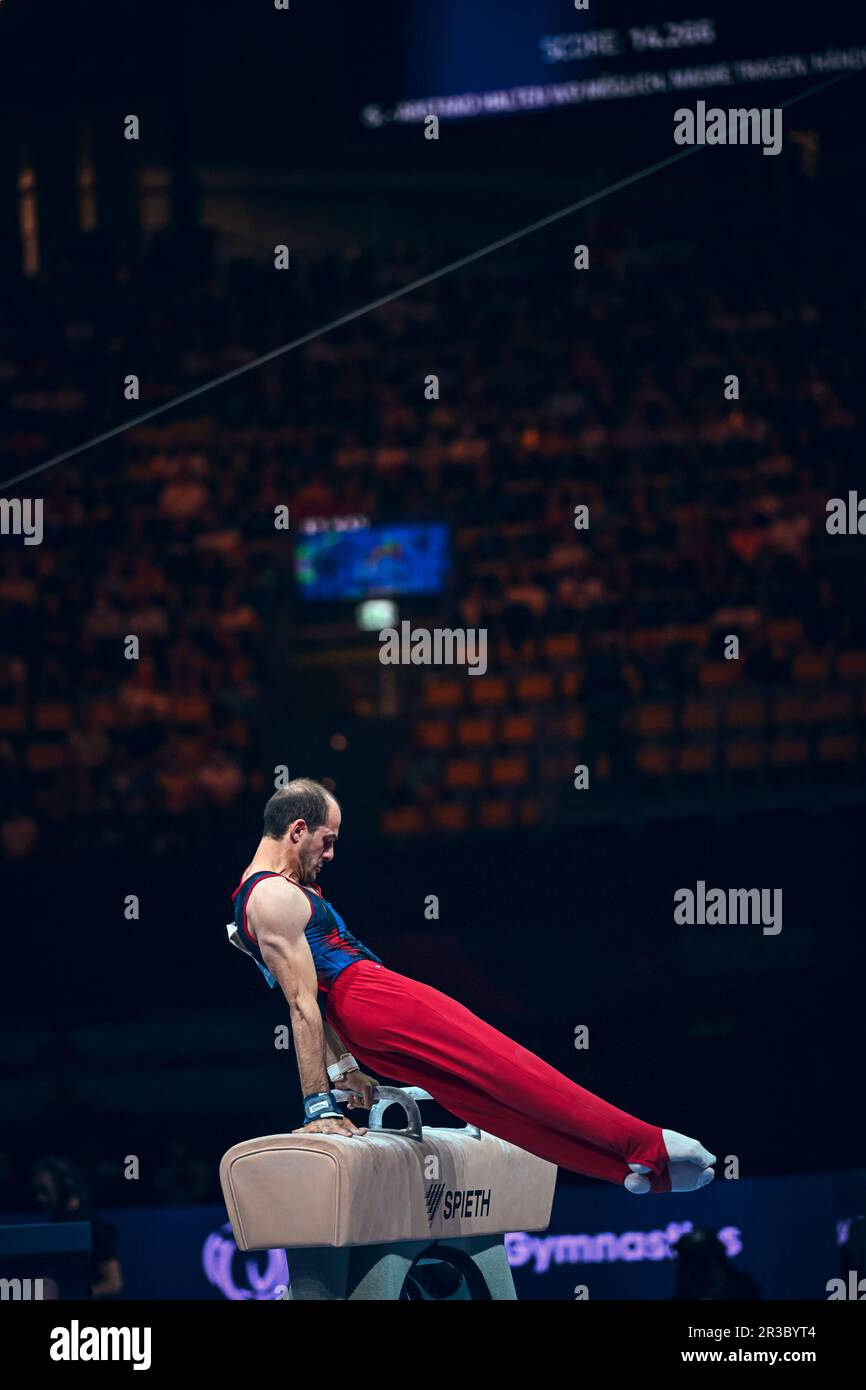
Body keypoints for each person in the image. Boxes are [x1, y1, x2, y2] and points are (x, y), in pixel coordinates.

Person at [227, 779, 715, 1195]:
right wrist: (319, 1107)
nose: (331, 854)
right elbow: (301, 1006)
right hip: (379, 1003)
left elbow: (313, 999)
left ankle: (628, 1169)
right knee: (512, 1069)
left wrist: (346, 1070)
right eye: (326, 841)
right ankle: (647, 1142)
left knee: (488, 1106)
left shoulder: (256, 899)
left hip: (364, 1029)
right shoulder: (274, 896)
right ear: (297, 831)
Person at [31, 1156, 123, 1297]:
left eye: (45, 1191)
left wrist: (73, 1295)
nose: (40, 1199)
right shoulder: (54, 1227)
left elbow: (113, 1284)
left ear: (65, 1187)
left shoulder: (94, 1226)